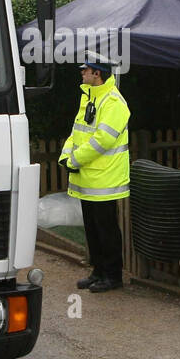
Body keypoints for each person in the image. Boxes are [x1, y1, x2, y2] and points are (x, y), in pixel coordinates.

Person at [59, 52, 131, 292]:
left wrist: (75, 160)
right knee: (92, 228)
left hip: (104, 179)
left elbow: (103, 141)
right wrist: (65, 155)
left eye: (85, 69)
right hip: (88, 177)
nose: (82, 73)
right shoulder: (89, 97)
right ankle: (98, 271)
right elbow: (77, 132)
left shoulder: (113, 102)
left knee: (107, 230)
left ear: (97, 73)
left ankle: (112, 276)